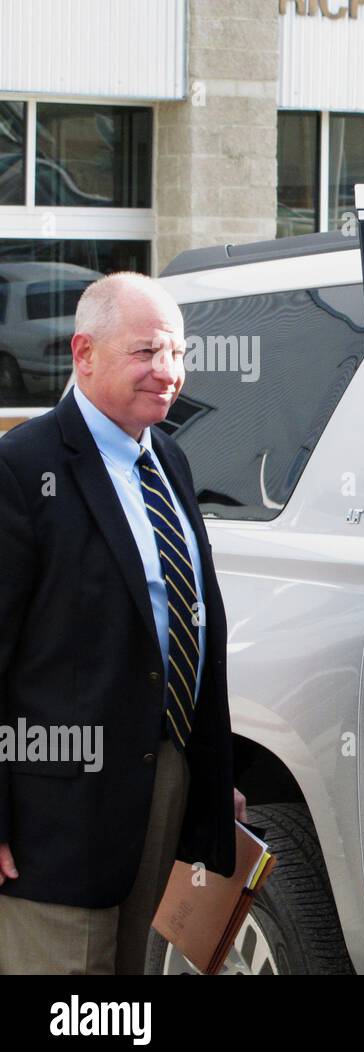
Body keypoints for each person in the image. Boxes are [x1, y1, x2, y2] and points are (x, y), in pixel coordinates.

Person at [0, 272, 244, 974]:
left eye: (176, 353)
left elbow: (189, 626)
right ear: (85, 353)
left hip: (157, 791)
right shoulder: (23, 469)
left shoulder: (167, 456)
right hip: (53, 817)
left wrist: (208, 768)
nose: (167, 372)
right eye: (146, 352)